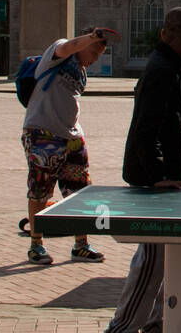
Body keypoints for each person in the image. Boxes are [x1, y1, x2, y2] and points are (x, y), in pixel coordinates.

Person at [105, 8, 181, 333]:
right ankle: (121, 330)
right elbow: (148, 129)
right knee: (152, 256)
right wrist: (160, 177)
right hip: (154, 180)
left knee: (165, 255)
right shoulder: (162, 71)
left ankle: (157, 324)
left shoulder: (171, 68)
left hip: (166, 178)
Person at [21, 27, 113, 265]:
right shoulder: (58, 53)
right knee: (40, 191)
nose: (94, 59)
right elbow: (69, 47)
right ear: (84, 44)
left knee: (79, 192)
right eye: (93, 52)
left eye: (99, 55)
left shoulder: (81, 71)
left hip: (72, 137)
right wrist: (90, 38)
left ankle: (81, 245)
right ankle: (36, 245)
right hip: (43, 134)